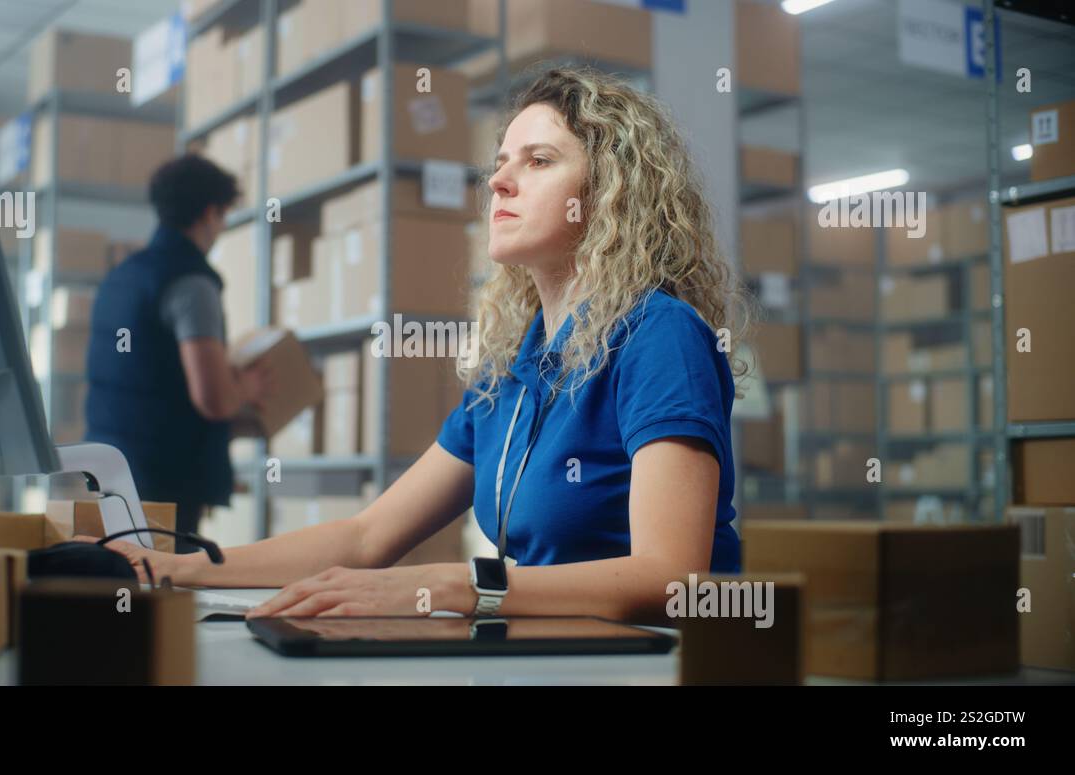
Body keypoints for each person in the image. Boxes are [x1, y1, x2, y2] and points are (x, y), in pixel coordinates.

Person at [82, 67, 752, 624]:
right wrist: (184, 568)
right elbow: (368, 535)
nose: (499, 182)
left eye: (539, 161)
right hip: (563, 658)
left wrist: (465, 584)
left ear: (609, 193)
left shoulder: (660, 337)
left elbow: (673, 577)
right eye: (499, 165)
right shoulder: (516, 368)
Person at [85, 155, 271, 552]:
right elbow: (214, 399)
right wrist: (246, 387)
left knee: (124, 587)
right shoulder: (191, 282)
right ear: (209, 212)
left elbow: (145, 378)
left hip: (110, 467)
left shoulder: (122, 275)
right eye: (223, 216)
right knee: (163, 597)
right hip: (163, 481)